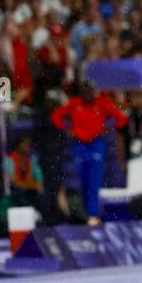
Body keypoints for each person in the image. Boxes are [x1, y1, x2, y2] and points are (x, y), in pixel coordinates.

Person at [50, 80, 129, 226]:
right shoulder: (74, 104)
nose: (88, 95)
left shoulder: (102, 103)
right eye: (85, 92)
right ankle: (85, 215)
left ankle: (92, 215)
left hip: (96, 144)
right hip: (80, 145)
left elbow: (122, 118)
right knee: (82, 182)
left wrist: (107, 127)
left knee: (94, 182)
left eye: (90, 92)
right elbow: (56, 116)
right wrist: (68, 128)